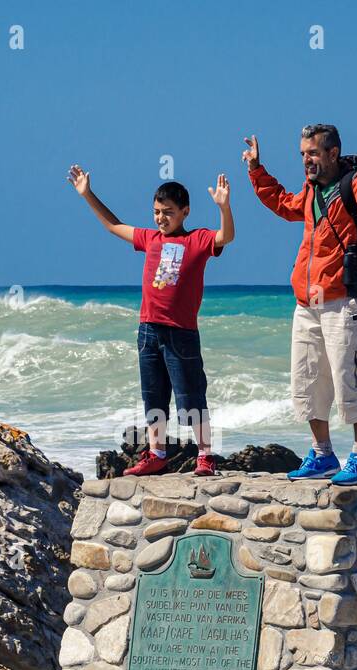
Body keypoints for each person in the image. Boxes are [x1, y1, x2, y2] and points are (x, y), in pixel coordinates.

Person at [244, 125, 357, 485]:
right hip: (307, 302)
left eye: (313, 154)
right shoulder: (310, 193)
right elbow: (283, 204)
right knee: (307, 381)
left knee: (350, 380)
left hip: (345, 301)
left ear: (333, 154)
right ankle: (322, 453)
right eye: (303, 154)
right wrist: (257, 171)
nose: (307, 160)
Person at [68, 165, 234, 475]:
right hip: (148, 331)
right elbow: (113, 225)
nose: (160, 218)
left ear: (184, 211)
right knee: (154, 396)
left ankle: (206, 455)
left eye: (168, 212)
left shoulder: (196, 240)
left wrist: (224, 208)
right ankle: (157, 454)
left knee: (191, 396)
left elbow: (227, 236)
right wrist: (88, 194)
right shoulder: (149, 238)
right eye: (157, 212)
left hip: (180, 333)